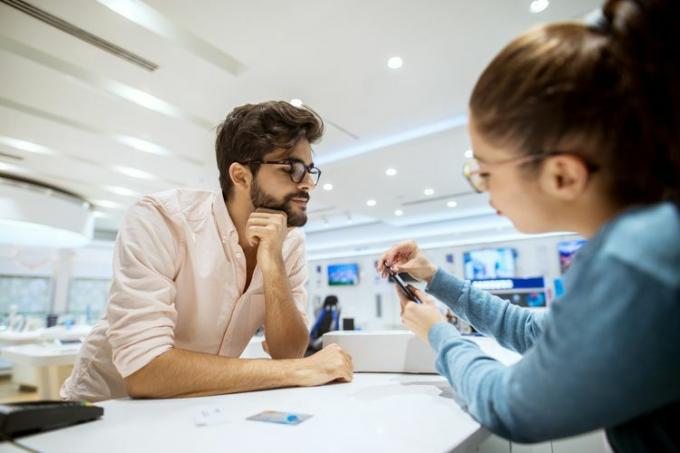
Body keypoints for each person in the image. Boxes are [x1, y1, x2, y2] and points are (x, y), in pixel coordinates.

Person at [378, 0, 679, 451]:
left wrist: (436, 333)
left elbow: (511, 406)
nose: (484, 188)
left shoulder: (639, 260)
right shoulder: (648, 238)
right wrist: (434, 278)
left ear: (562, 175)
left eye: (485, 171)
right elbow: (533, 333)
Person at [62, 101, 352, 401]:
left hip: (198, 406)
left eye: (310, 170)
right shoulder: (161, 219)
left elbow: (288, 351)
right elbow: (144, 370)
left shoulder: (289, 241)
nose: (308, 184)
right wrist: (299, 371)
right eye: (292, 168)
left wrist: (273, 264)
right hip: (107, 407)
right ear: (240, 176)